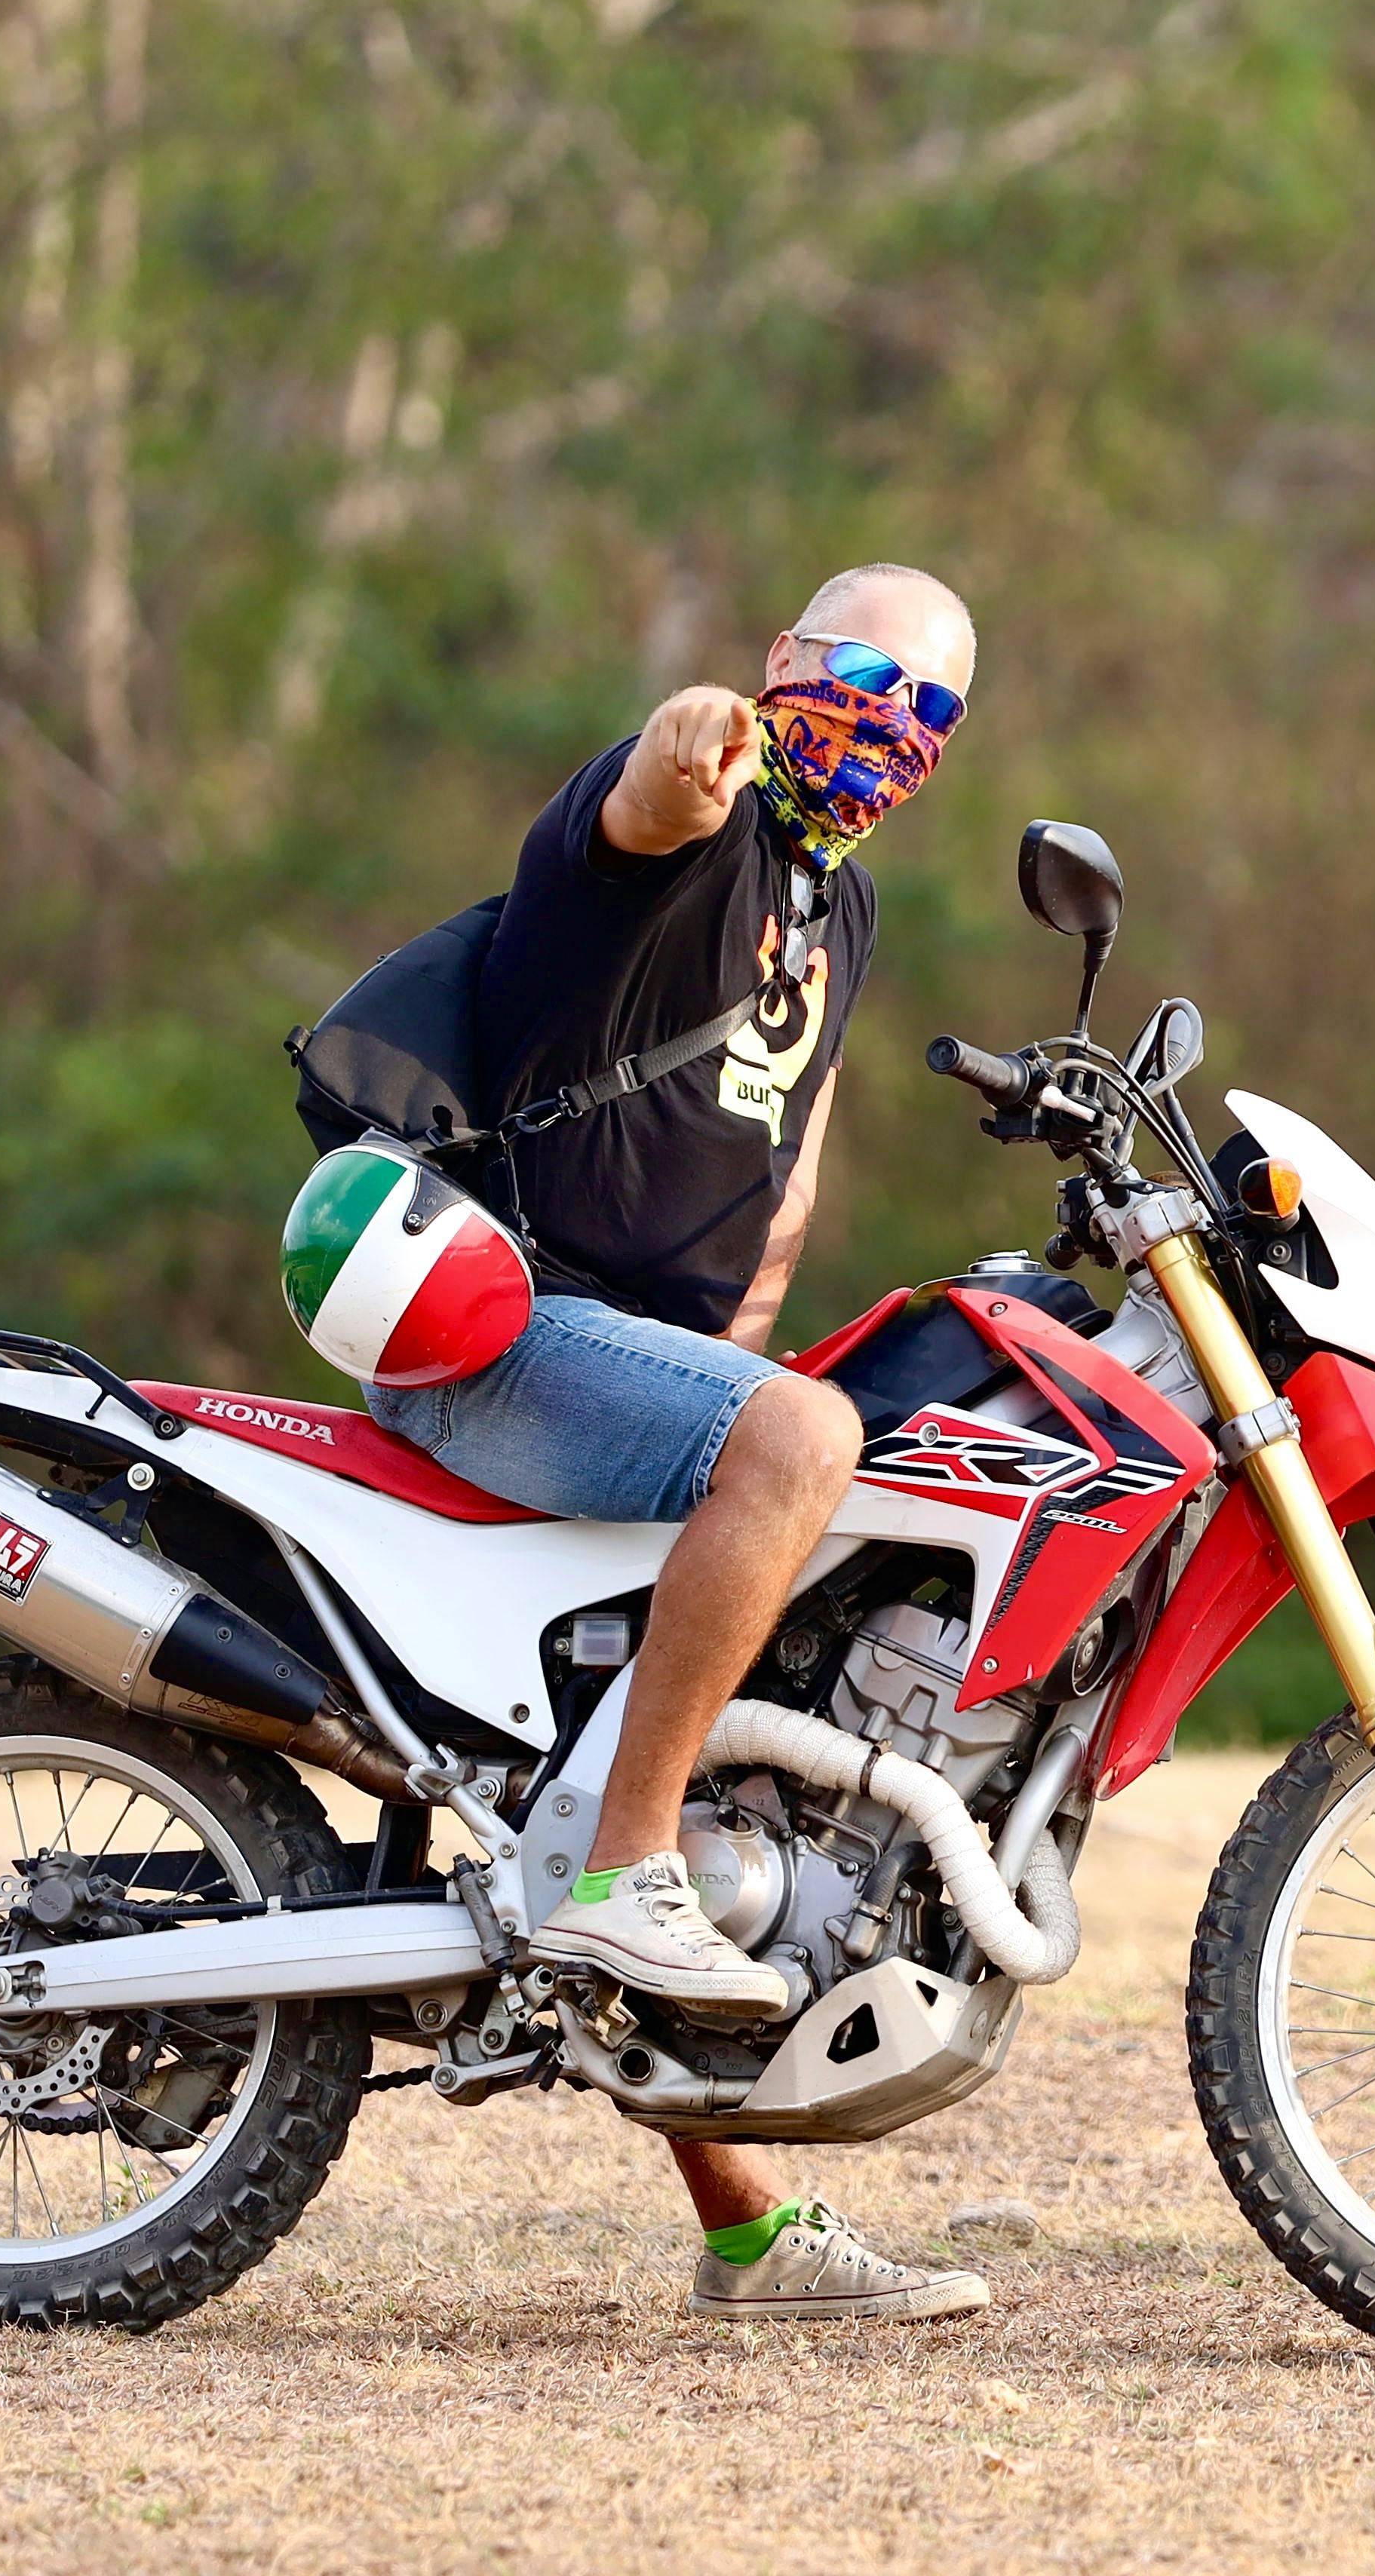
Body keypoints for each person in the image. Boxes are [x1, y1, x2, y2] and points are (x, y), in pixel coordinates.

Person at [358, 560, 993, 2324]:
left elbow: (782, 1168)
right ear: (793, 660)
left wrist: (746, 1382)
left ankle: (748, 2231)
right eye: (866, 676)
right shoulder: (664, 820)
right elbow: (655, 782)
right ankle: (629, 1876)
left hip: (628, 1358)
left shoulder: (841, 914)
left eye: (931, 709)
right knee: (800, 1446)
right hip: (497, 1320)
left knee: (778, 1548)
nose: (893, 724)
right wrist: (695, 739)